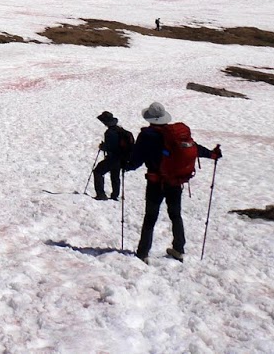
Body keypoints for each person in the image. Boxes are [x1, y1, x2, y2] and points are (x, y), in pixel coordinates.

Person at [122, 101, 222, 262]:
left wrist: (125, 166)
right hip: (176, 182)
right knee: (175, 215)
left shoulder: (147, 136)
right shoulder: (175, 134)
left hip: (156, 182)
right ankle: (178, 249)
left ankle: (143, 252)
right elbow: (195, 148)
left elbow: (136, 160)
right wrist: (213, 154)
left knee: (150, 217)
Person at [93, 110, 133, 201]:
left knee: (98, 172)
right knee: (115, 176)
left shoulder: (109, 132)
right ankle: (115, 195)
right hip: (121, 158)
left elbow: (112, 147)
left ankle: (101, 194)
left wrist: (103, 147)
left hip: (113, 158)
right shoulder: (120, 130)